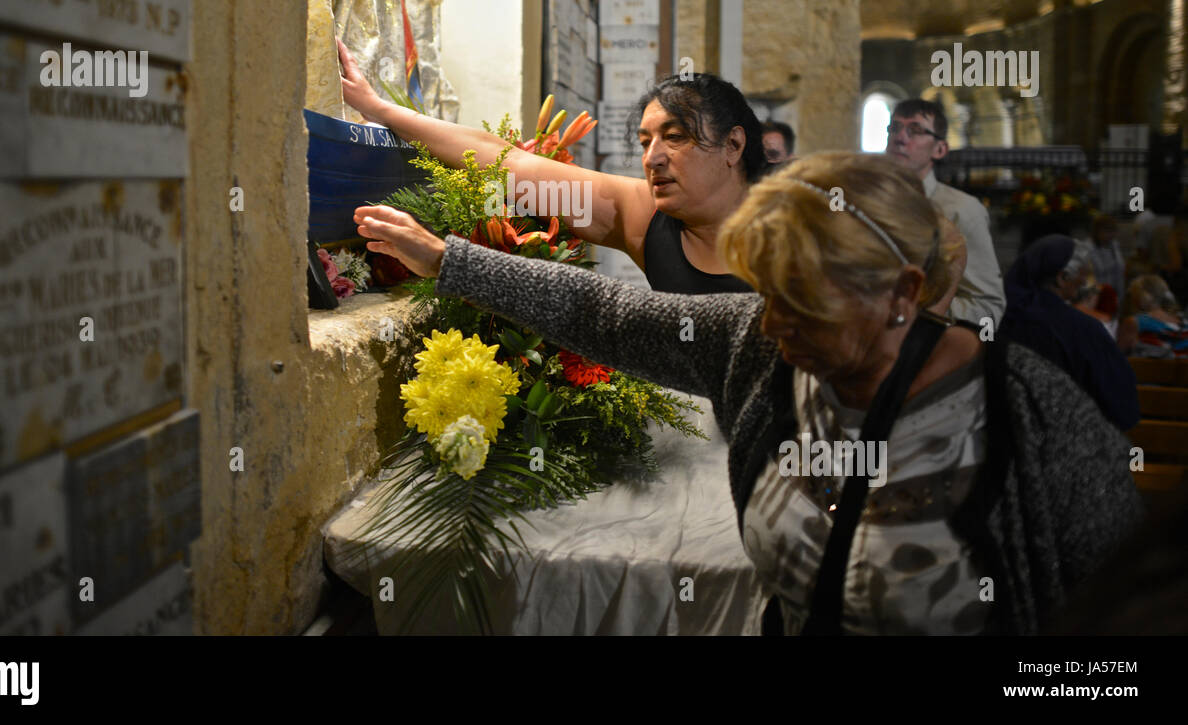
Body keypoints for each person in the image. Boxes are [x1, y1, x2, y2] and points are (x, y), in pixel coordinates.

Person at [354, 152, 1143, 635]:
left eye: (800, 302)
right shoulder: (761, 349)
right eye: (764, 293)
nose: (770, 321)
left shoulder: (1035, 417)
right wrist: (447, 260)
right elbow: (606, 313)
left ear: (903, 292)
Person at [341, 37, 764, 293]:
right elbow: (509, 165)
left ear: (733, 144)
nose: (652, 158)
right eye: (644, 142)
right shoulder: (642, 217)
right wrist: (379, 109)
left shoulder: (792, 229)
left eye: (675, 138)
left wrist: (444, 260)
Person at [884, 98, 1005, 328]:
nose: (900, 138)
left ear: (940, 149)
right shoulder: (869, 199)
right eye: (895, 128)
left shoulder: (961, 210)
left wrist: (923, 308)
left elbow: (987, 307)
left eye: (915, 131)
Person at [999, 236, 1139, 430]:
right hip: (1066, 435)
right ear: (1062, 278)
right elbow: (1122, 406)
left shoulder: (998, 319)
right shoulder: (1083, 329)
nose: (1084, 281)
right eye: (1082, 274)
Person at [1120, 274, 1188, 357]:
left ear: (1139, 297)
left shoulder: (1135, 322)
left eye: (1132, 295)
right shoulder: (1184, 322)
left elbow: (1116, 357)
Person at [1082, 215, 1125, 308]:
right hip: (1096, 296)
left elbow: (1120, 270)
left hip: (1115, 294)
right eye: (1107, 231)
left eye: (1113, 231)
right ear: (1097, 231)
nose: (1111, 234)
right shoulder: (1087, 248)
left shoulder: (1114, 245)